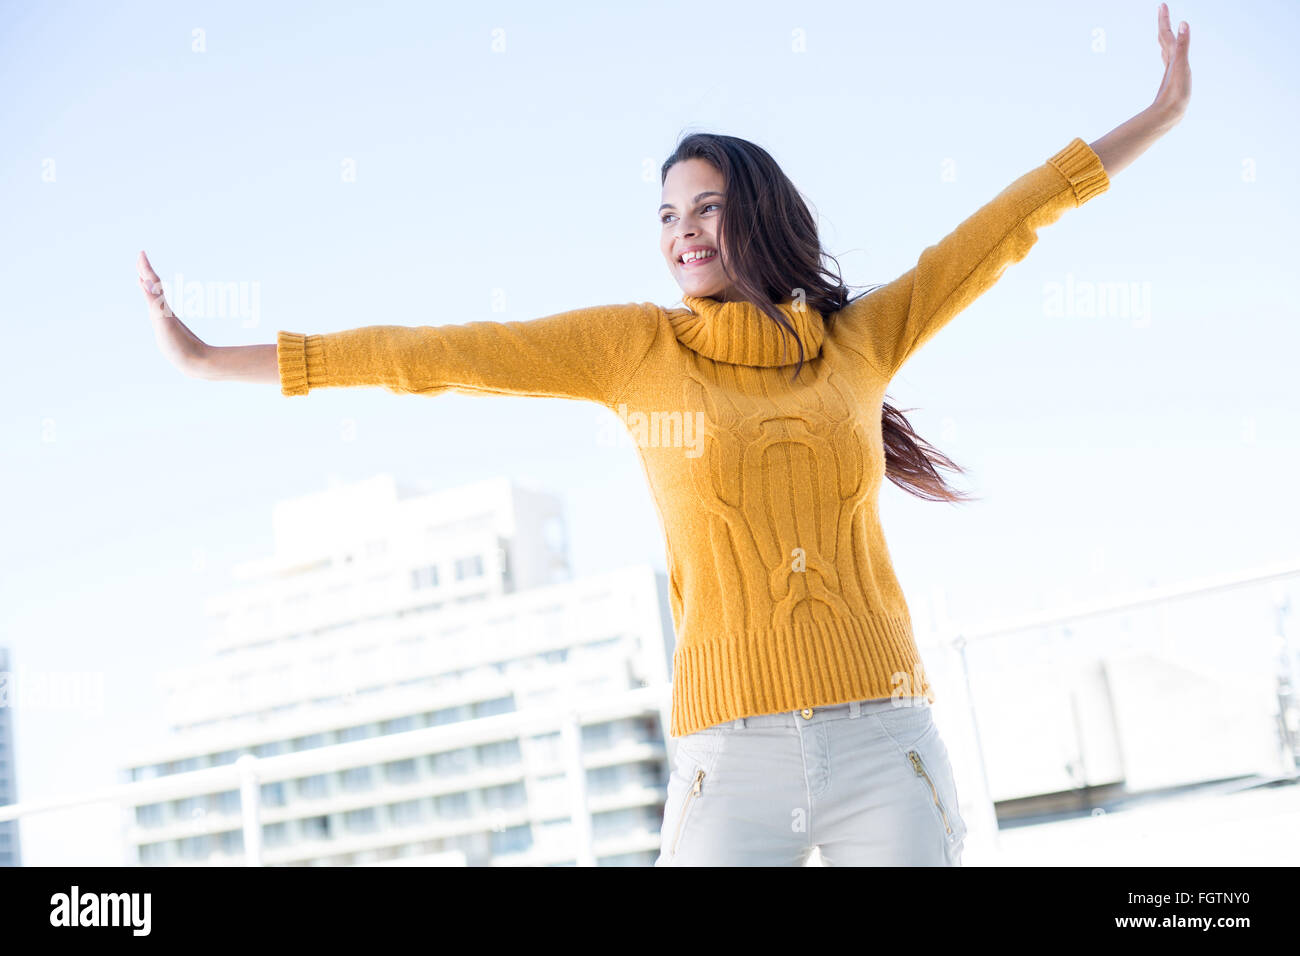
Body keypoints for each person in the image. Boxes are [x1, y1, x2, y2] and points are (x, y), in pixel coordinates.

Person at [136, 6, 1191, 867]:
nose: (681, 229)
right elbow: (439, 352)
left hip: (887, 740)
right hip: (727, 757)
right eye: (665, 212)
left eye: (706, 205)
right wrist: (209, 357)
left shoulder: (861, 337)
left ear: (760, 215)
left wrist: (1157, 113)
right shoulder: (634, 348)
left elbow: (1006, 224)